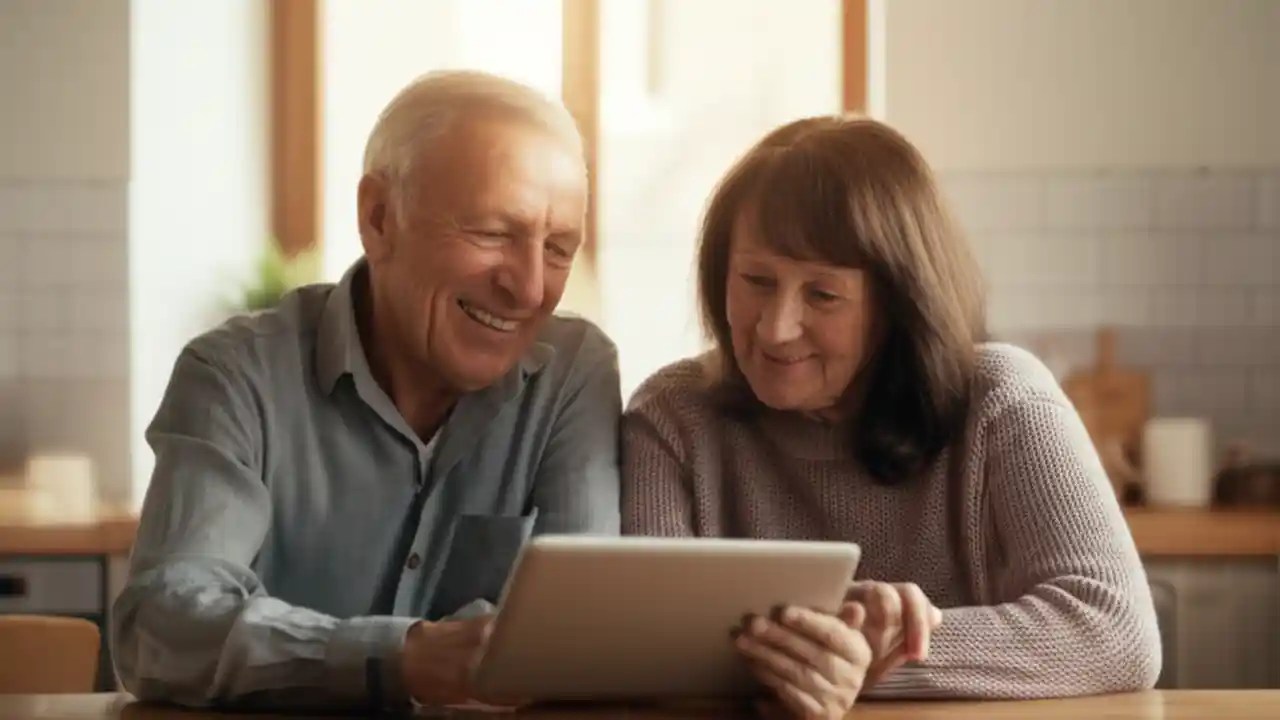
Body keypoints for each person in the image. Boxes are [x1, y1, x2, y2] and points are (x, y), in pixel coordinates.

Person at [111, 70, 621, 713]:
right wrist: (400, 658)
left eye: (557, 248)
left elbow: (578, 632)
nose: (527, 289)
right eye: (492, 233)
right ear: (379, 219)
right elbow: (161, 628)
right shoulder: (237, 374)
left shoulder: (573, 373)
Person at [622, 115, 1162, 717]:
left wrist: (877, 657)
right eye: (756, 280)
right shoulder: (671, 416)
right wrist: (821, 654)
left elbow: (1114, 630)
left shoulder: (1003, 398)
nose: (775, 328)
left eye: (822, 295)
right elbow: (652, 650)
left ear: (898, 301)